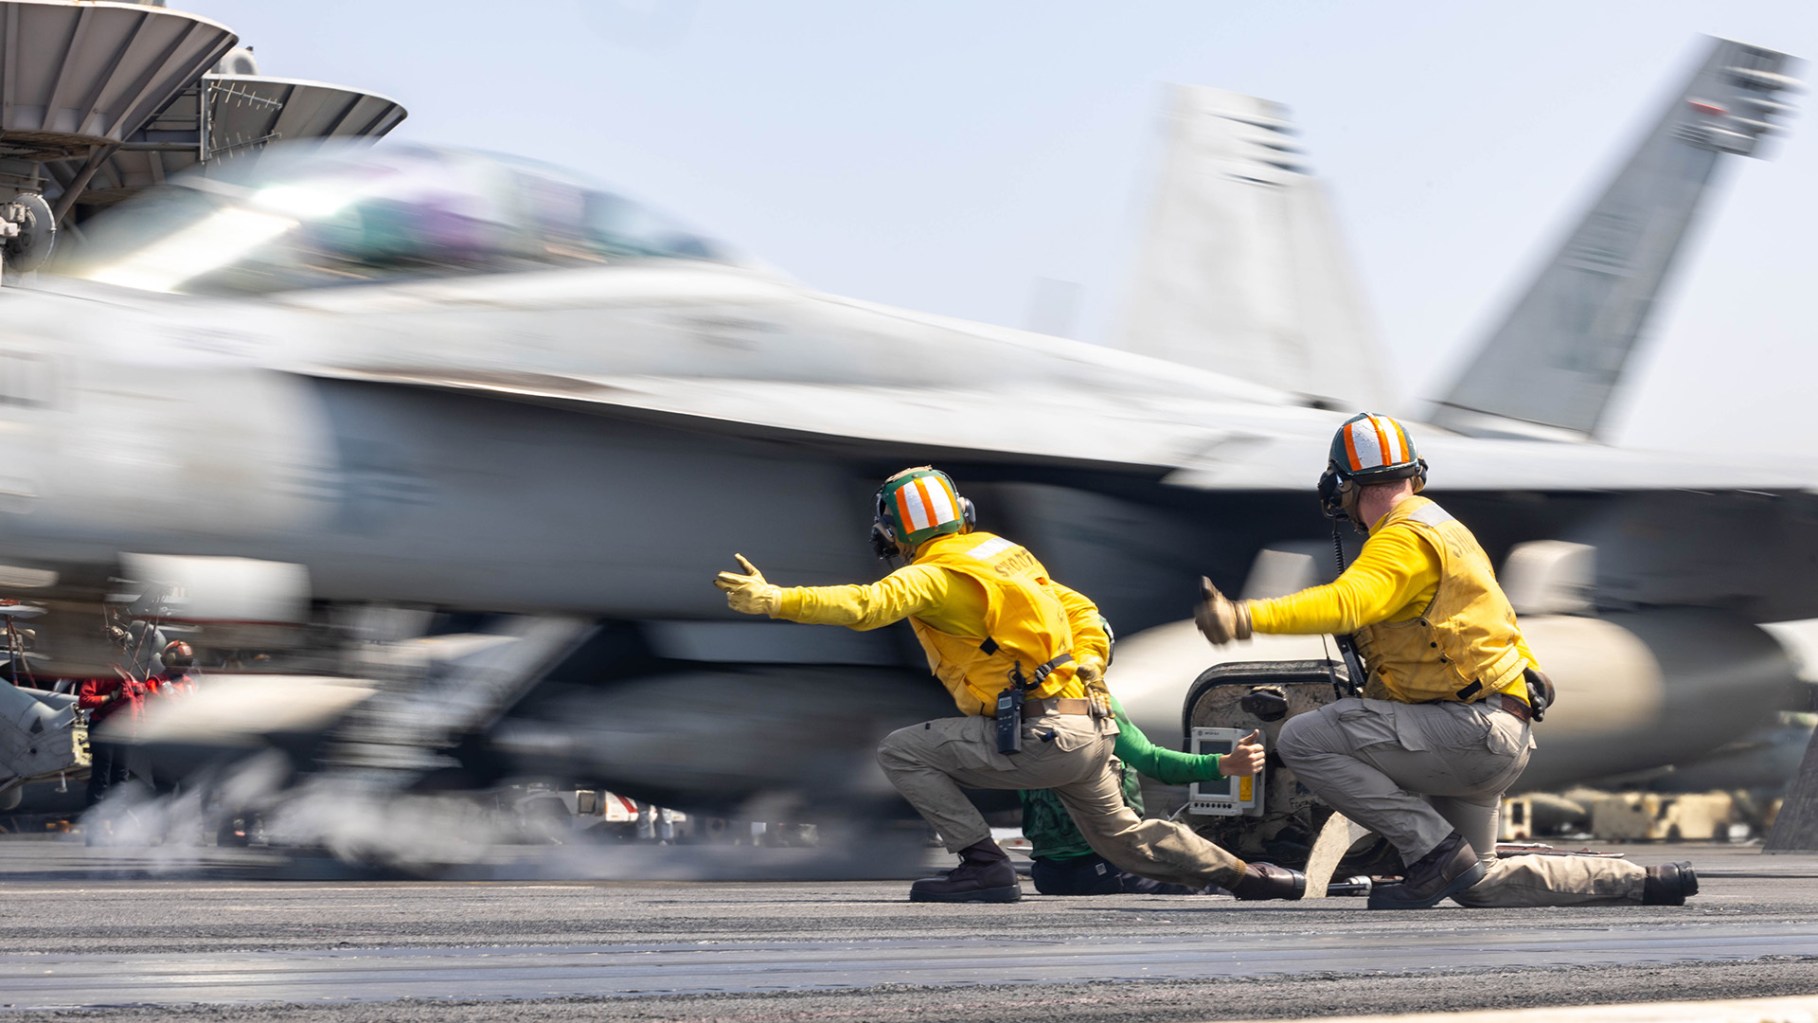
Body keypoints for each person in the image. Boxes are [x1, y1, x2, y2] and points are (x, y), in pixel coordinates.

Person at [716, 465, 1304, 903]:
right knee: (1127, 840)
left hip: (1042, 738)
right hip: (1089, 730)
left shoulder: (933, 574)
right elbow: (1084, 611)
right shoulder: (1008, 556)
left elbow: (867, 605)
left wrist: (774, 600)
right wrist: (1090, 665)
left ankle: (983, 865)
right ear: (962, 512)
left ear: (895, 532)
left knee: (900, 751)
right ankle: (1253, 878)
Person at [1194, 412, 1698, 910]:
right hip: (1494, 733)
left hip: (1465, 733)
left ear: (1342, 487)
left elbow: (1347, 602)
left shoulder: (1403, 538)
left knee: (1305, 738)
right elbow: (1499, 616)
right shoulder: (1447, 529)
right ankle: (1644, 881)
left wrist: (1244, 617)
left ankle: (1434, 852)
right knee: (1479, 881)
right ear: (1415, 474)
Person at [1022, 689, 1229, 895]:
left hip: (1049, 875)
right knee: (1215, 885)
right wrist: (1220, 765)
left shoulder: (1017, 710)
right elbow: (1152, 761)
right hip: (1112, 869)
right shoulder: (1095, 703)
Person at [76, 671, 148, 808]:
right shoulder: (102, 674)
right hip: (104, 729)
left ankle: (117, 813)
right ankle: (95, 815)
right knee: (101, 775)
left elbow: (139, 706)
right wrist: (110, 697)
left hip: (125, 731)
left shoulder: (129, 676)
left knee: (121, 776)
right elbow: (84, 700)